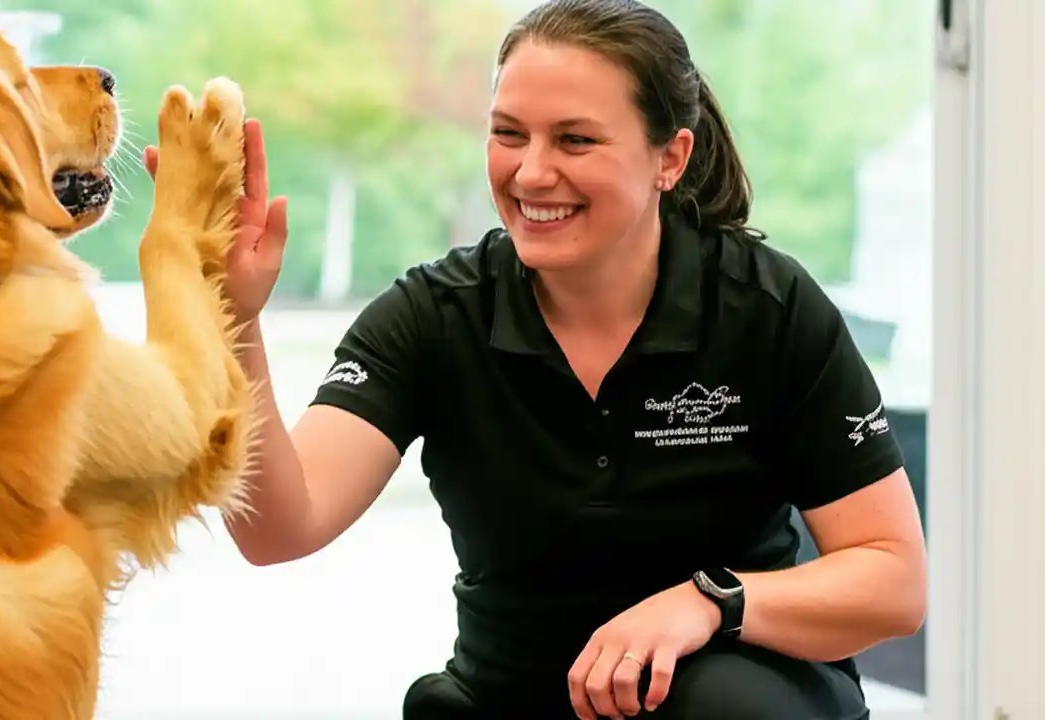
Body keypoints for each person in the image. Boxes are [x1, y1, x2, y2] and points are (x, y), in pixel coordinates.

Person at [145, 1, 927, 717]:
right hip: (517, 695)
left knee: (719, 700)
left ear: (670, 157)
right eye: (509, 133)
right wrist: (232, 319)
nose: (530, 172)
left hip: (736, 694)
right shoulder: (437, 315)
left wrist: (709, 602)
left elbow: (892, 580)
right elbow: (281, 527)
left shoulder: (766, 308)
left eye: (575, 139)